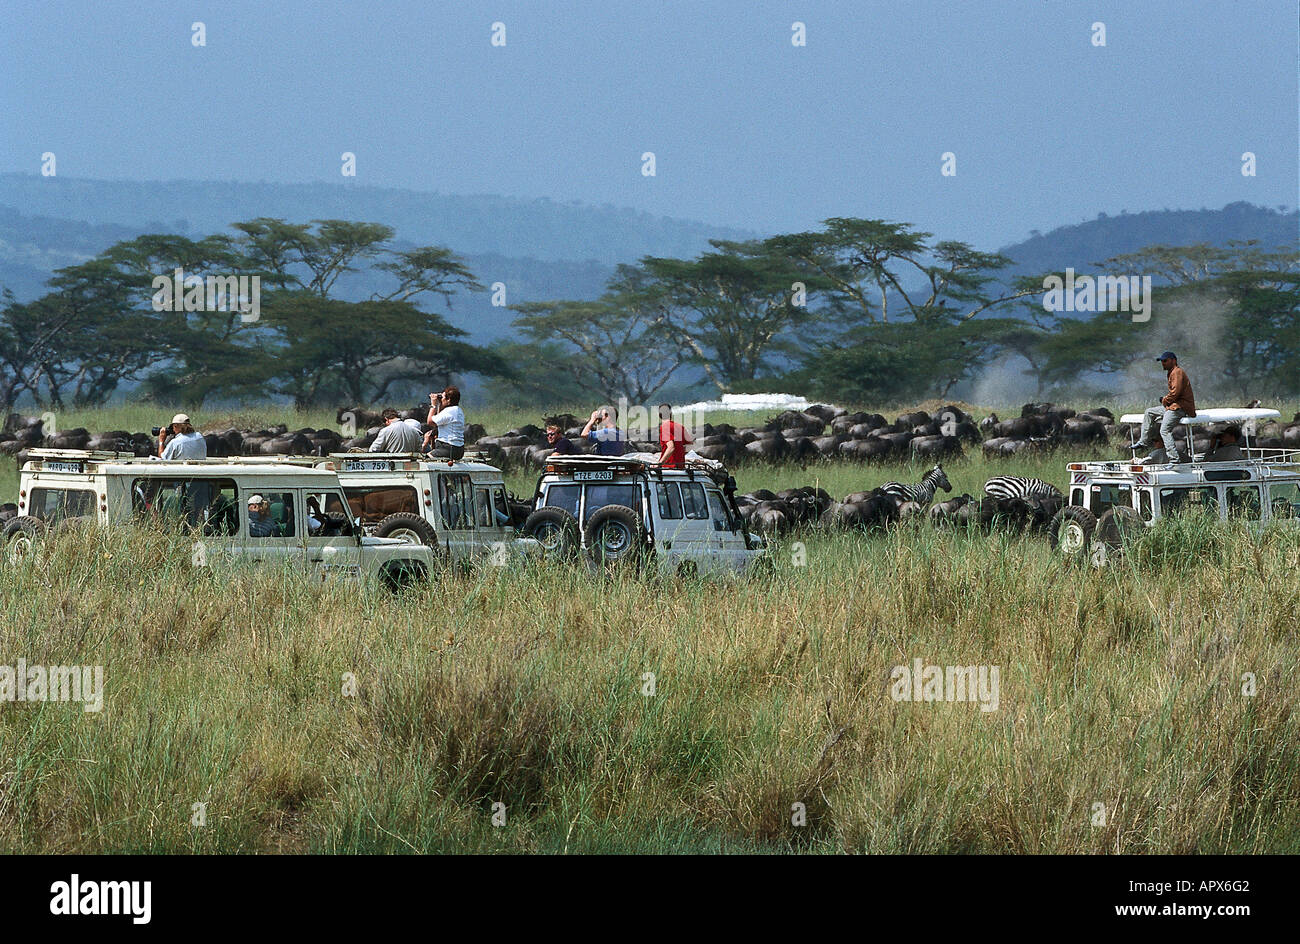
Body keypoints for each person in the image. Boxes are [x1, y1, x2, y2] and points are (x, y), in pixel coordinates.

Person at [1134, 351, 1196, 464]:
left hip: (1179, 407)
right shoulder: (1171, 373)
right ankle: (1143, 441)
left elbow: (1175, 393)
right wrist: (1166, 401)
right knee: (1149, 412)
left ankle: (1174, 458)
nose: (1163, 363)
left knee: (1165, 430)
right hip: (1172, 405)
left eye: (1165, 361)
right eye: (1162, 361)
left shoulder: (1177, 372)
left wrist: (1164, 400)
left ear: (1174, 360)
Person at [422, 386, 466, 460]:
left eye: (442, 397)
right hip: (458, 449)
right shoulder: (458, 411)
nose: (441, 400)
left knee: (426, 459)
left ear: (448, 399)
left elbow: (430, 422)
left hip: (448, 448)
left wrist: (433, 405)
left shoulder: (449, 411)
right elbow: (439, 420)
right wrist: (439, 403)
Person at [657, 403, 693, 469]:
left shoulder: (665, 426)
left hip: (669, 466)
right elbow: (690, 444)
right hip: (681, 466)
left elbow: (671, 447)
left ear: (659, 415)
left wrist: (659, 464)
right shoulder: (680, 426)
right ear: (671, 414)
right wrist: (680, 455)